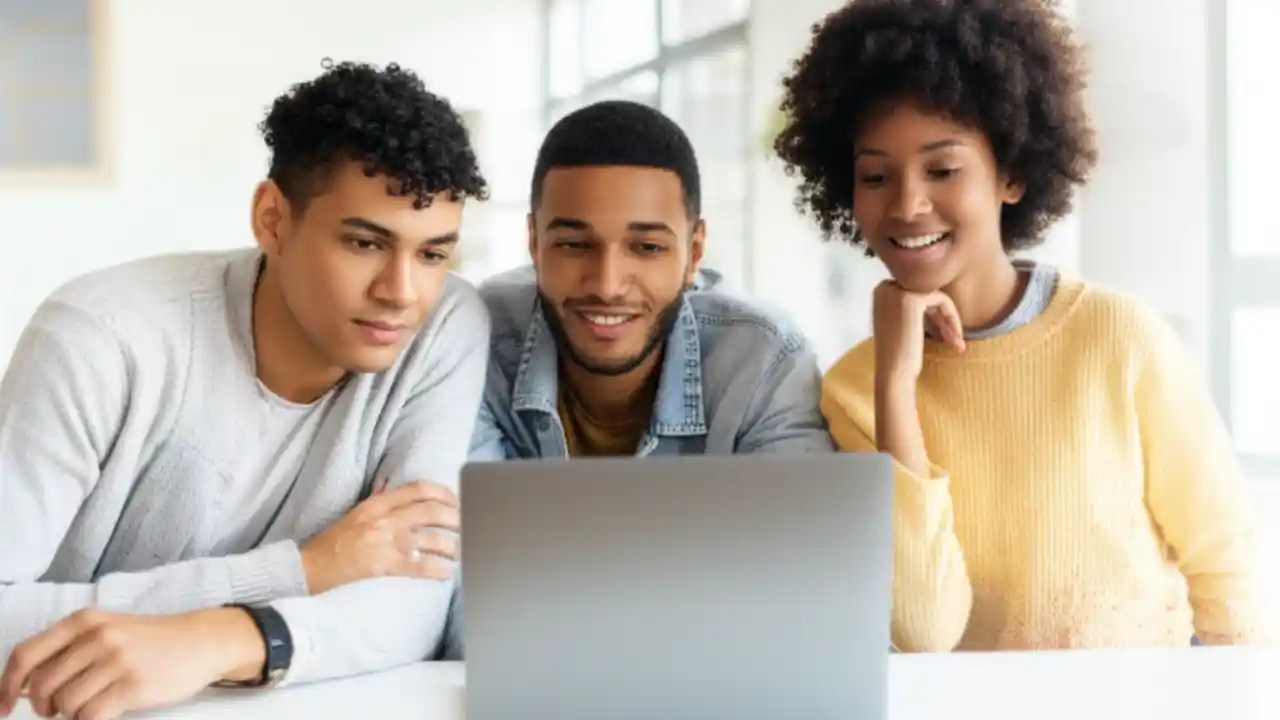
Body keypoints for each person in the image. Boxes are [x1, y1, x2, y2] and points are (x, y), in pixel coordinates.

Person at [774, 0, 1272, 652]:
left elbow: (1224, 562)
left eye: (943, 169)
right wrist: (896, 384)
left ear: (1011, 173)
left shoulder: (1118, 337)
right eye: (876, 176)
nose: (908, 204)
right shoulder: (852, 388)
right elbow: (922, 630)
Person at [0, 60, 489, 719]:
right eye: (364, 243)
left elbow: (413, 602)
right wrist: (300, 574)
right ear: (271, 220)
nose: (401, 293)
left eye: (432, 254)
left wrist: (218, 639)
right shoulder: (101, 337)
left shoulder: (444, 328)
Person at [470, 100, 833, 461]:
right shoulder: (475, 338)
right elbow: (451, 515)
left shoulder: (762, 361)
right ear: (534, 243)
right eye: (574, 245)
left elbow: (802, 519)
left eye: (647, 247)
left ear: (693, 253)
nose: (607, 286)